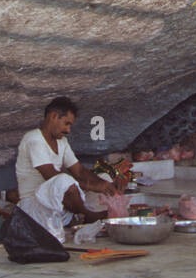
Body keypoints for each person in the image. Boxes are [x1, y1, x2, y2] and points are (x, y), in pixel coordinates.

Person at [13, 96, 121, 243]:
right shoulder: (34, 139)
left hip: (58, 203)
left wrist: (104, 184)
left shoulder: (62, 142)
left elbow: (79, 171)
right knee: (64, 180)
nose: (68, 130)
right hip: (36, 206)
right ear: (53, 116)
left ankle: (80, 216)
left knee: (104, 178)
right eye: (66, 124)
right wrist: (92, 186)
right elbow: (50, 175)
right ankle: (87, 214)